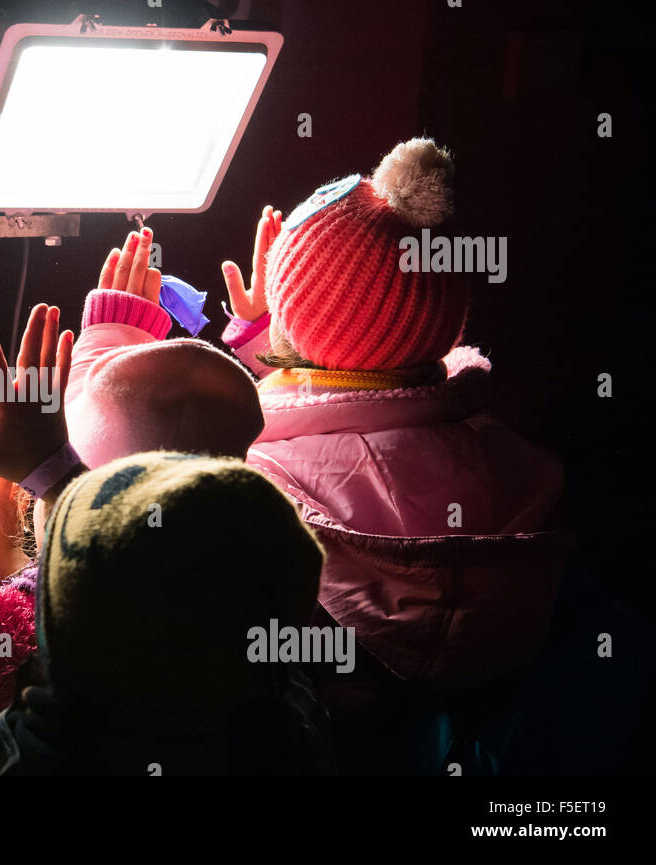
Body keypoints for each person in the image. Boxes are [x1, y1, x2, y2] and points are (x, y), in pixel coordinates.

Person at [0, 296, 332, 775]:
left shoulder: (17, 759)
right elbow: (149, 551)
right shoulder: (294, 722)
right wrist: (53, 476)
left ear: (52, 613)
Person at [218, 138, 567, 772]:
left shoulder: (267, 474)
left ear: (297, 325)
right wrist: (280, 335)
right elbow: (356, 395)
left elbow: (295, 417)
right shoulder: (505, 449)